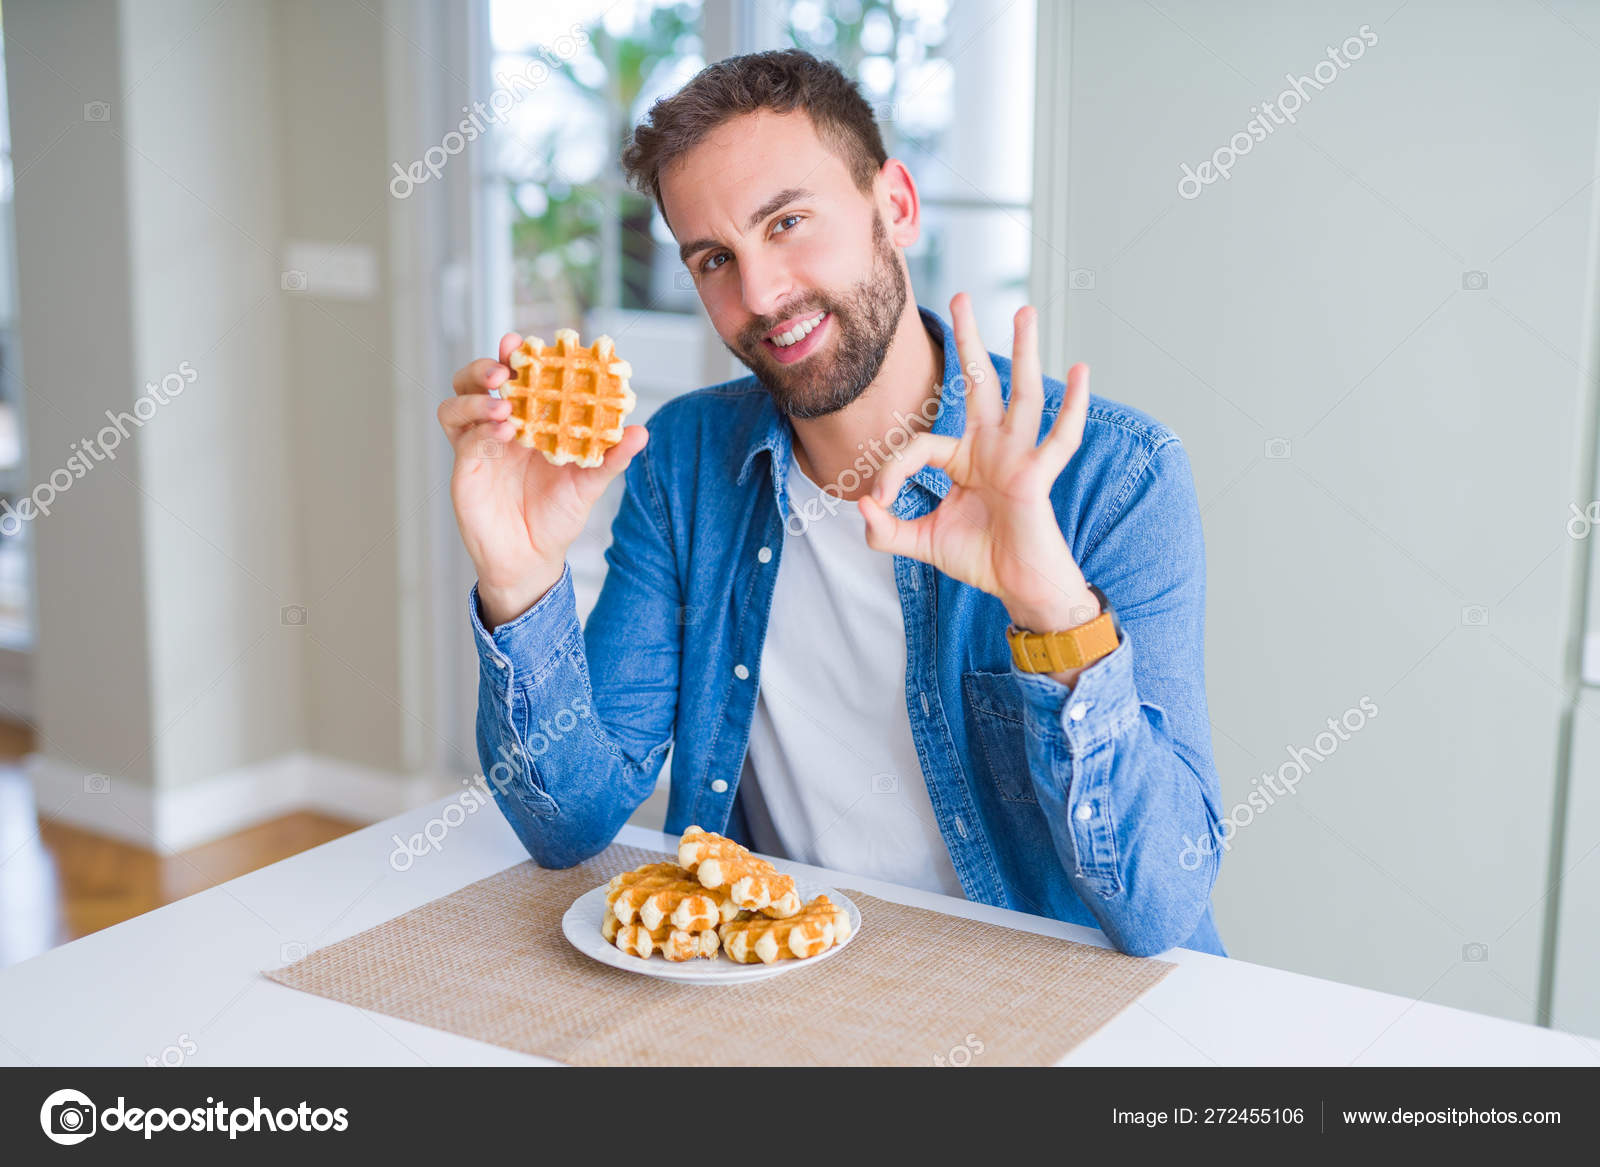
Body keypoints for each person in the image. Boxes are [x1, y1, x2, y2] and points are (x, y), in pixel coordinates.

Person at [437, 49, 1226, 957]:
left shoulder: (1114, 477)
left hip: (1048, 1010)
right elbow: (568, 823)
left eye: (789, 222)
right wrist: (520, 579)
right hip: (787, 987)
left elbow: (1160, 911)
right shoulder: (685, 465)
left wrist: (1052, 609)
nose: (761, 294)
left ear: (895, 203)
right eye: (714, 259)